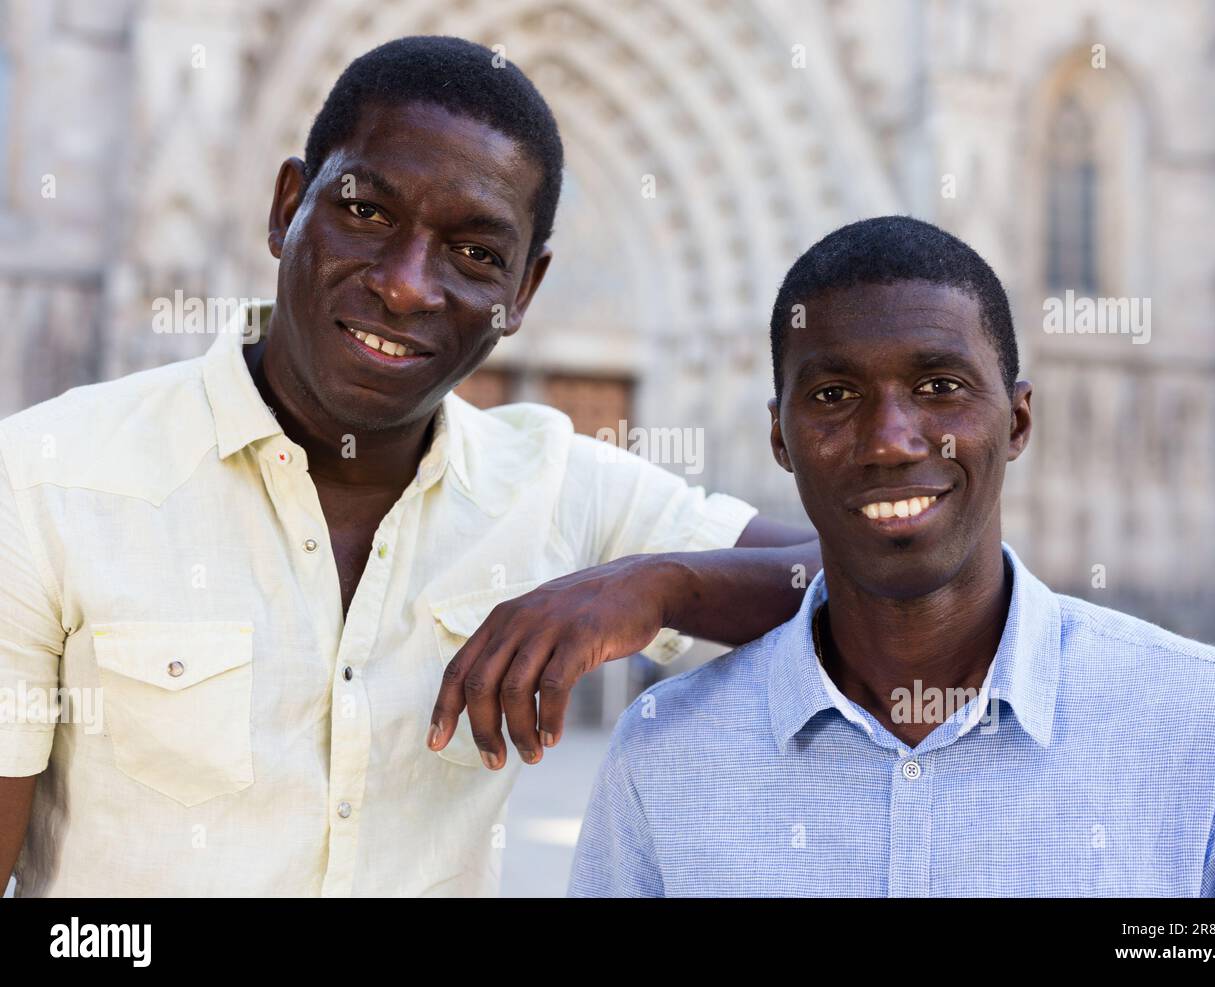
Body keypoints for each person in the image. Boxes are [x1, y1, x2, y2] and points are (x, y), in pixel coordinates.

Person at [0, 36, 819, 897]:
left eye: (476, 253)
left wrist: (656, 588)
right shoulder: (48, 480)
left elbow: (897, 591)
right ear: (287, 207)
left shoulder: (556, 484)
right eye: (367, 212)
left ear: (523, 294)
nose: (405, 286)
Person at [568, 215, 1215, 897]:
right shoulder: (664, 756)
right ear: (779, 438)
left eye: (940, 386)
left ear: (1017, 420)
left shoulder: (1214, 730)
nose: (890, 438)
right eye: (833, 393)